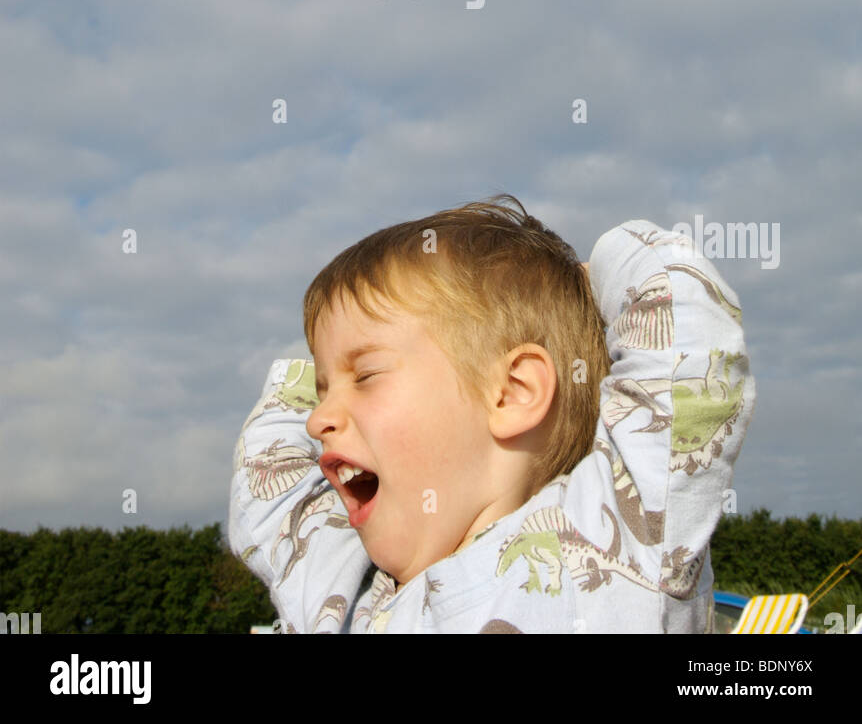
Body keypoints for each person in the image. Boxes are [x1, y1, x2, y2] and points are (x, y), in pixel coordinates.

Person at [228, 194, 754, 633]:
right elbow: (269, 490)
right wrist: (326, 365)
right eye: (321, 391)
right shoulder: (343, 589)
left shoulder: (611, 544)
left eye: (365, 376)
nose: (318, 419)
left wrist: (587, 280)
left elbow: (684, 333)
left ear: (514, 392)